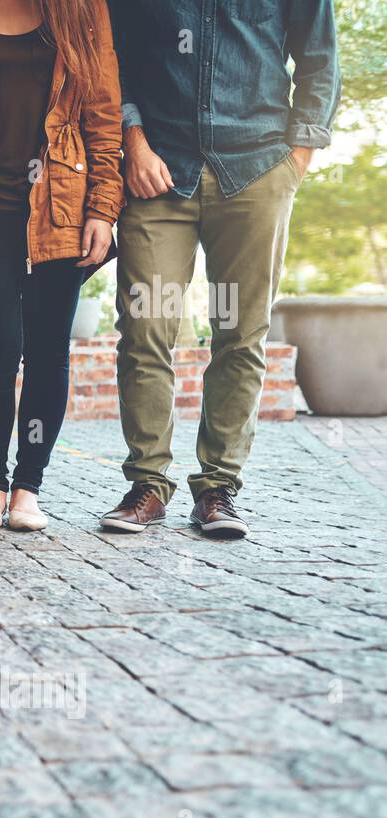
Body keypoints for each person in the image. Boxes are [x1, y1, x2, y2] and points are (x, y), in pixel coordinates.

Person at [100, 0, 340, 538]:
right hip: (157, 175)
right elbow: (110, 59)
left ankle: (218, 488)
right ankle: (147, 484)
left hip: (256, 170)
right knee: (145, 328)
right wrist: (131, 142)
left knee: (239, 333)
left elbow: (321, 59)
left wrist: (294, 164)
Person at [0, 0, 122, 531]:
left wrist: (103, 207)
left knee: (48, 350)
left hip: (60, 207)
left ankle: (28, 487)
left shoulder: (81, 10)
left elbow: (103, 113)